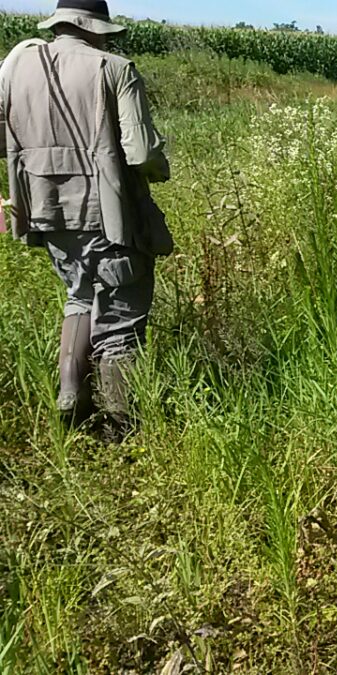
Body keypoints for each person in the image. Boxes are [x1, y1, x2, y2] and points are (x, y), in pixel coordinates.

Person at [0, 0, 173, 441]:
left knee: (79, 296)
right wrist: (160, 170)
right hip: (108, 214)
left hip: (46, 213)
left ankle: (70, 397)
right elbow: (141, 153)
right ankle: (120, 428)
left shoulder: (16, 67)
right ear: (95, 28)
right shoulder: (114, 68)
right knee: (120, 317)